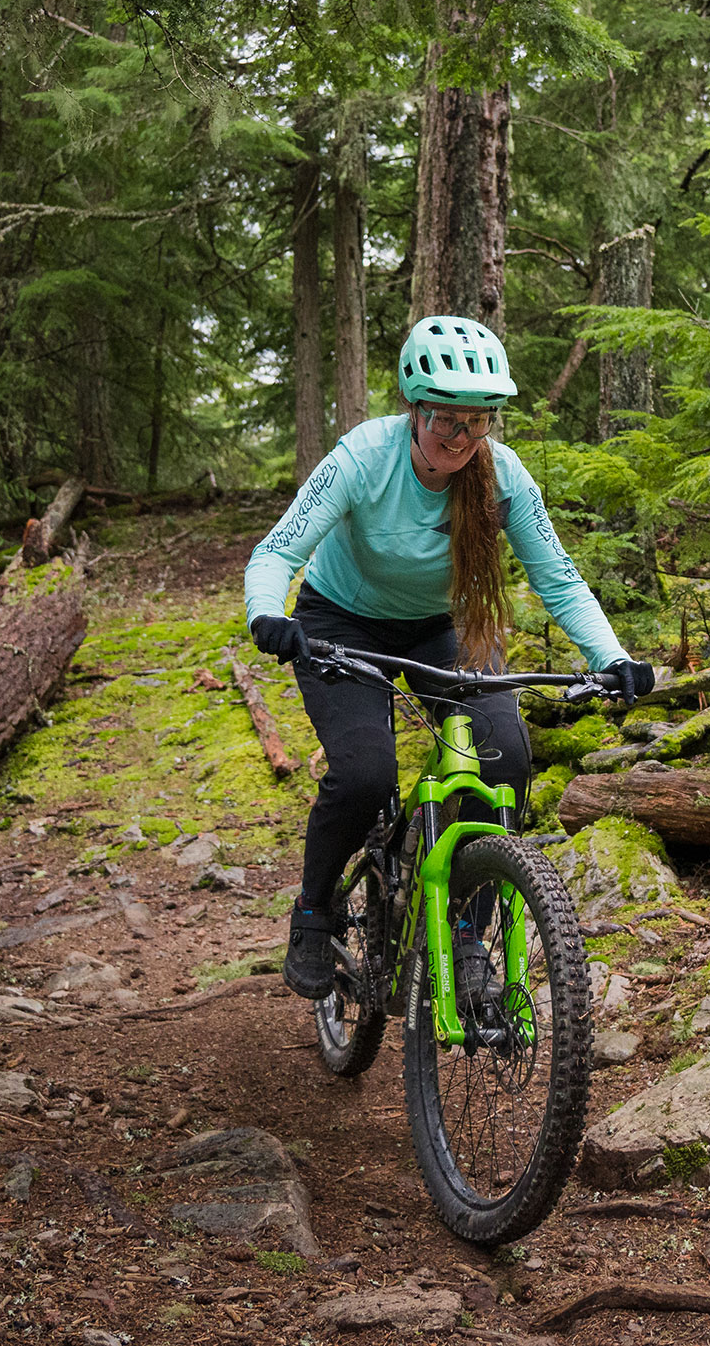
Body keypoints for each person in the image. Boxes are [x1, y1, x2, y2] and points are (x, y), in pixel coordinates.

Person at [244, 315, 653, 999]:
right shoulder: (362, 457)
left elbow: (558, 577)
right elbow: (278, 550)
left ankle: (466, 934)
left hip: (449, 624)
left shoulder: (504, 477)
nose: (461, 438)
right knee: (366, 771)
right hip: (342, 620)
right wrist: (267, 614)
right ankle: (314, 911)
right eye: (445, 419)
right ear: (415, 407)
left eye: (478, 421)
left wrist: (613, 657)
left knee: (505, 756)